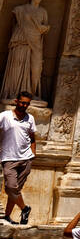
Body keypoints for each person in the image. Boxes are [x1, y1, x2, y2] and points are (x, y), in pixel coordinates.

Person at [1, 91, 36, 225]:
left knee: (15, 190)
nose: (24, 105)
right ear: (16, 101)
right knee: (11, 187)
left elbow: (32, 137)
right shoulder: (5, 116)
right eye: (22, 102)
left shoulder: (30, 118)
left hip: (26, 159)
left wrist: (33, 153)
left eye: (27, 103)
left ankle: (7, 216)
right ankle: (25, 208)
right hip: (8, 157)